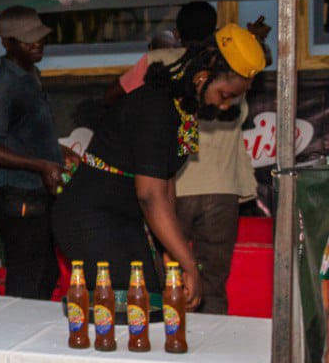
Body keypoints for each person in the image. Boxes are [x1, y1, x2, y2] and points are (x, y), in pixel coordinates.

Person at [53, 24, 267, 301]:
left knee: (151, 294)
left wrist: (171, 254)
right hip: (89, 217)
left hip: (123, 217)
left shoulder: (184, 110)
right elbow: (151, 196)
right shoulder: (155, 107)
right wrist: (189, 265)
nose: (225, 106)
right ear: (203, 77)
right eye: (225, 95)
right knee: (127, 303)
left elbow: (167, 188)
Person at [107, 5, 268, 314]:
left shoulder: (158, 61)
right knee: (212, 285)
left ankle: (169, 343)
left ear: (177, 34)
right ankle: (211, 355)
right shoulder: (233, 68)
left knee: (166, 280)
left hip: (172, 188)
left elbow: (112, 94)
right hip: (220, 188)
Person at [0, 6, 75, 300]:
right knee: (26, 277)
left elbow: (24, 133)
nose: (37, 43)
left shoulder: (30, 72)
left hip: (38, 192)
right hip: (19, 195)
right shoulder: (1, 84)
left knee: (47, 272)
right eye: (27, 39)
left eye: (39, 37)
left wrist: (59, 152)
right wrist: (42, 165)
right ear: (6, 43)